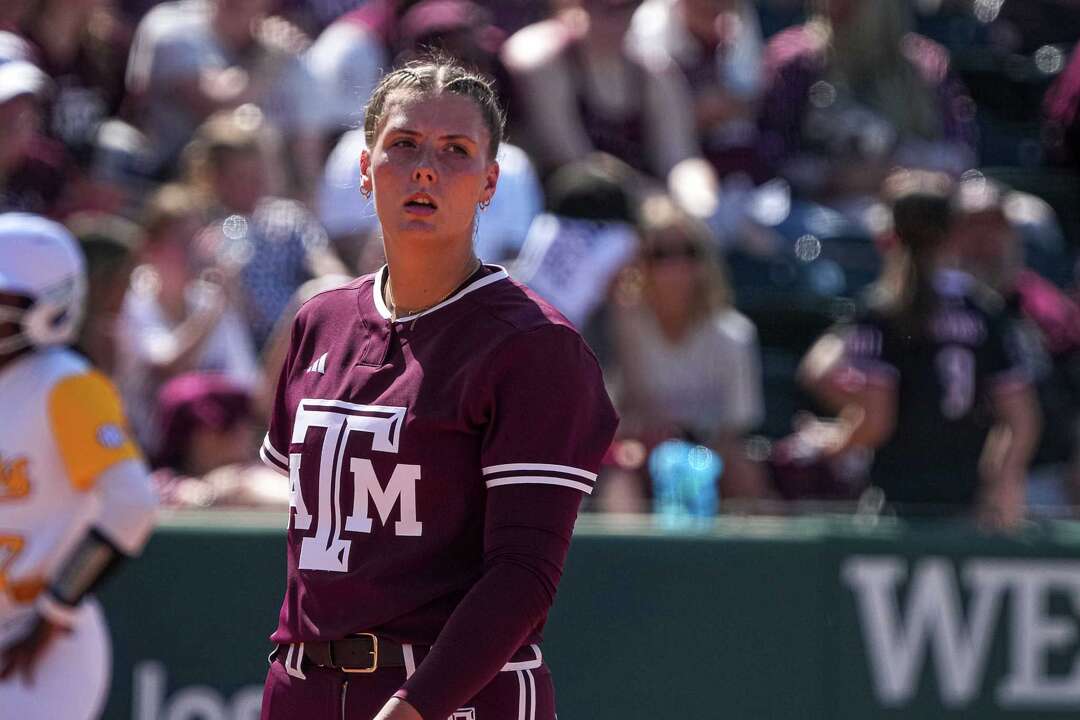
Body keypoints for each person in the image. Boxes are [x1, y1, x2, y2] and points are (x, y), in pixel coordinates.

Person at [258, 56, 618, 720]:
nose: (426, 167)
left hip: (453, 696)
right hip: (302, 685)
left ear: (488, 183)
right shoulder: (319, 321)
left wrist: (414, 708)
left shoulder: (534, 345)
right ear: (366, 171)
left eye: (455, 151)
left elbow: (523, 575)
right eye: (403, 144)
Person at [798, 172, 1040, 526]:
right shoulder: (985, 310)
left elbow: (877, 421)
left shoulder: (884, 312)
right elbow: (1021, 419)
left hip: (899, 506)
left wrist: (831, 441)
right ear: (954, 233)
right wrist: (1000, 482)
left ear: (889, 235)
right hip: (965, 503)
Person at [0, 212, 157, 719]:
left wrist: (55, 608)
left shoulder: (64, 384)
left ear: (51, 306)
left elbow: (132, 504)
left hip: (36, 645)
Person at [606, 193, 768, 509]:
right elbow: (612, 419)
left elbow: (735, 429)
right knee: (619, 476)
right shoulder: (621, 325)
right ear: (641, 262)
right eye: (661, 254)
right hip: (640, 453)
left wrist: (692, 450)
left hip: (708, 454)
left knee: (743, 468)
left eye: (689, 253)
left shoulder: (734, 335)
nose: (677, 267)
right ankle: (626, 556)